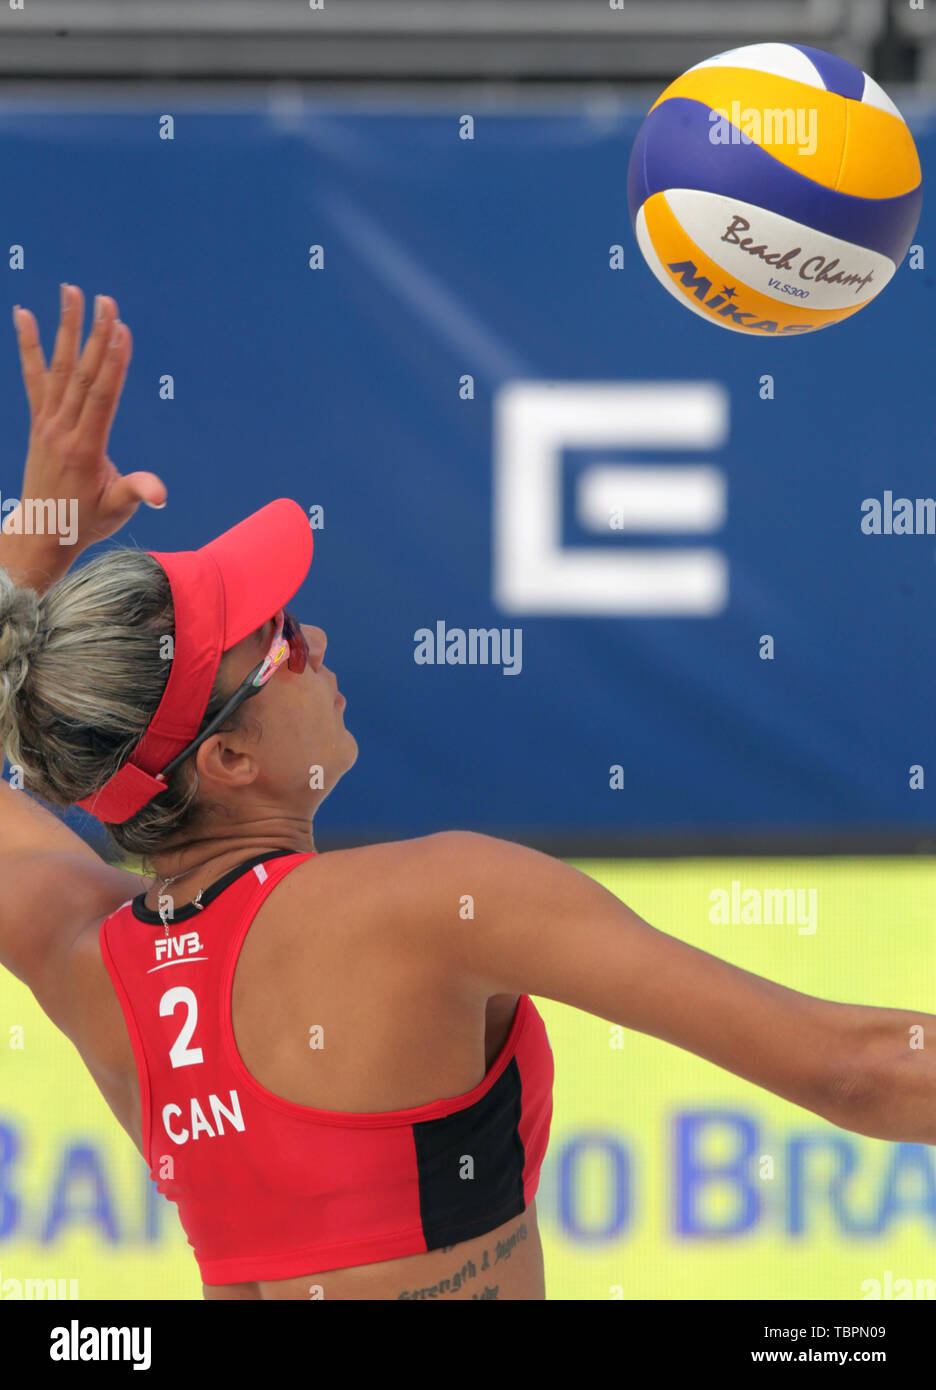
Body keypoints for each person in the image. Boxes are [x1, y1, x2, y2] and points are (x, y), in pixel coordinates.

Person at [0, 286, 931, 1303]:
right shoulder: (433, 900)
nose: (310, 641)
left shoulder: (80, 950)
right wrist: (35, 548)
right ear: (226, 762)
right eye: (277, 642)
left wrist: (32, 550)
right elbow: (857, 1069)